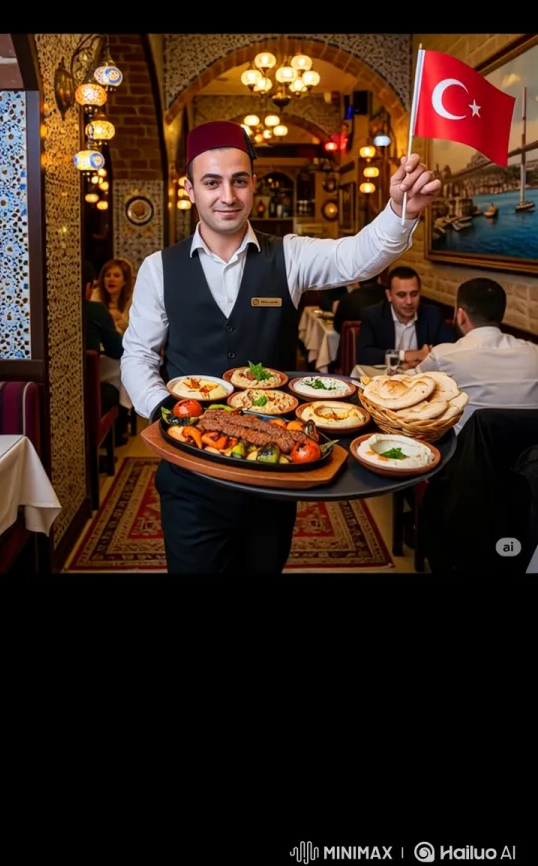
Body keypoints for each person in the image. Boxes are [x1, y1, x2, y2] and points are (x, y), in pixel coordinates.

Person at [121, 120, 441, 574]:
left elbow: (356, 256)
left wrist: (400, 212)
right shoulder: (159, 268)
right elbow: (137, 355)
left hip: (274, 467)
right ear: (189, 189)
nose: (227, 196)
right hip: (192, 470)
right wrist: (163, 412)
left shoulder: (289, 254)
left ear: (253, 184)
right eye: (211, 182)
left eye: (239, 180)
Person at [409, 277, 538, 433]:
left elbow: (406, 389)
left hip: (465, 454)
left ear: (461, 315)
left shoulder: (443, 356)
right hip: (527, 454)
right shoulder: (534, 353)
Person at [355, 265, 454, 368]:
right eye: (402, 295)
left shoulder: (432, 314)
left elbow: (451, 348)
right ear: (389, 295)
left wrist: (430, 354)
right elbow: (363, 354)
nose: (409, 301)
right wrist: (403, 356)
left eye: (414, 294)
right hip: (384, 379)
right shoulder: (373, 315)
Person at [83, 261, 125, 432]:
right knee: (117, 384)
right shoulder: (94, 310)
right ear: (87, 287)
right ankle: (119, 435)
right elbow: (117, 350)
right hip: (89, 393)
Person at [92, 258, 134, 335]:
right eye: (107, 275)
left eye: (116, 276)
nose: (111, 279)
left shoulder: (133, 300)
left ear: (124, 281)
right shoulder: (96, 296)